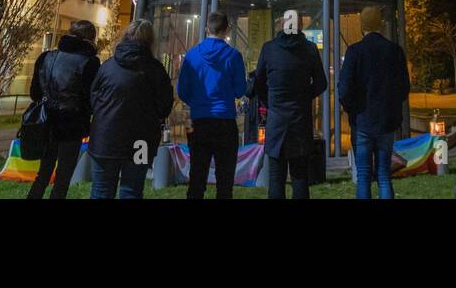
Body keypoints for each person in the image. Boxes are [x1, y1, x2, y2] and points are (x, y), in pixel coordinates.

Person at [88, 19, 174, 199]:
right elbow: (165, 105)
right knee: (132, 191)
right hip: (141, 141)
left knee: (101, 190)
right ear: (151, 41)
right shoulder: (156, 70)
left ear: (126, 36)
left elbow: (94, 97)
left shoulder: (109, 66)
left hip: (106, 137)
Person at [253, 10, 328, 199]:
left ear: (282, 24)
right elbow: (321, 83)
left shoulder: (269, 49)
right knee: (300, 178)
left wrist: (270, 101)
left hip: (276, 122)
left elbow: (258, 83)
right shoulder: (310, 49)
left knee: (276, 179)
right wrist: (304, 97)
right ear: (300, 25)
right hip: (300, 122)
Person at [338, 6, 410, 200]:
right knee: (384, 175)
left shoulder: (354, 52)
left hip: (362, 120)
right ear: (381, 25)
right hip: (387, 121)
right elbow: (404, 87)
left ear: (362, 27)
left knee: (363, 175)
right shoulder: (395, 51)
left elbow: (344, 89)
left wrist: (351, 109)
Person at [177, 11, 247, 199]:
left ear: (207, 28)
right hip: (225, 121)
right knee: (225, 182)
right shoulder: (233, 56)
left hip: (199, 122)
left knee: (197, 177)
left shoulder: (192, 55)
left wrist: (198, 102)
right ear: (226, 30)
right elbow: (241, 90)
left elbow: (182, 91)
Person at [28, 19, 100, 199]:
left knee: (43, 173)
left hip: (46, 122)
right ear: (91, 39)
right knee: (63, 177)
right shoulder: (89, 62)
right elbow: (91, 97)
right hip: (72, 124)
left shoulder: (47, 57)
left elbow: (35, 92)